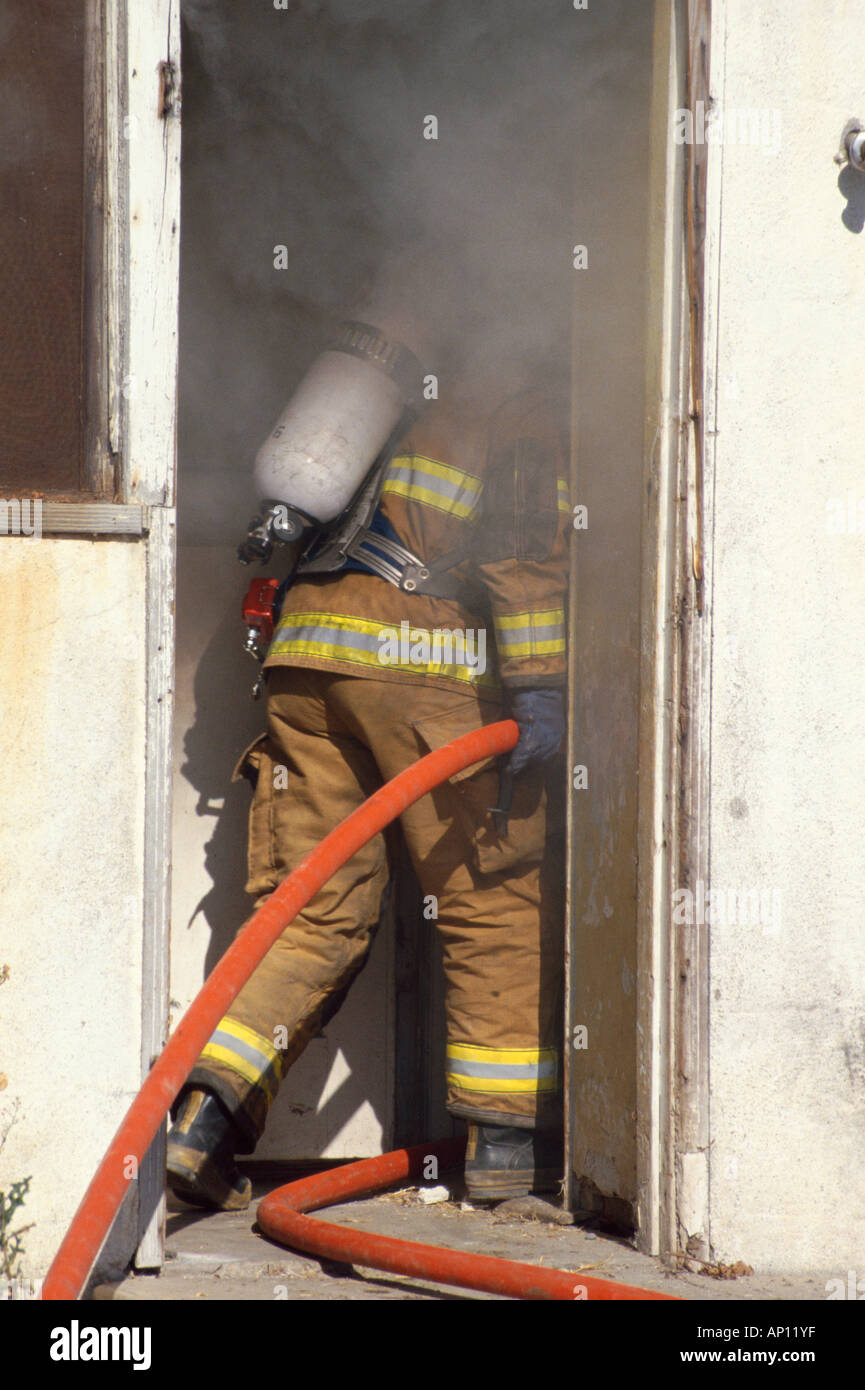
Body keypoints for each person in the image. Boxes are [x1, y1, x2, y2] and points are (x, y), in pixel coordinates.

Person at [167, 360, 570, 1211]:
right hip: (419, 663)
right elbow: (523, 541)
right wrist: (538, 676)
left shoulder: (380, 399)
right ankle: (504, 1145)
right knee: (493, 895)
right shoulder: (517, 387)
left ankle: (200, 1127)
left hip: (305, 659)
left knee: (305, 910)